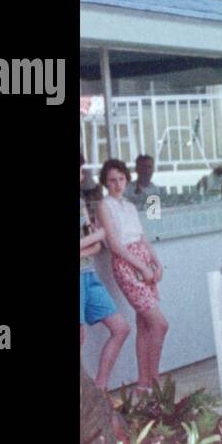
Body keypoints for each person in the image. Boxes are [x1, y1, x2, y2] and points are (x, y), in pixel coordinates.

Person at [97, 159, 169, 393]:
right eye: (112, 180)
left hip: (142, 260)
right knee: (160, 324)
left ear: (127, 179)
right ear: (105, 183)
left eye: (120, 179)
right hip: (127, 264)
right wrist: (141, 266)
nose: (117, 184)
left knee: (145, 324)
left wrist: (156, 262)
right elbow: (116, 245)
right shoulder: (104, 205)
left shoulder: (129, 205)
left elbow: (141, 237)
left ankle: (143, 383)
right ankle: (155, 378)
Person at [79, 153, 130, 390]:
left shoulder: (81, 203)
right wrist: (97, 235)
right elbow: (98, 237)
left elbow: (98, 245)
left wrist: (96, 238)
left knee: (121, 328)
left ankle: (99, 389)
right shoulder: (103, 205)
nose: (81, 176)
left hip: (88, 274)